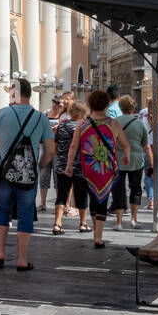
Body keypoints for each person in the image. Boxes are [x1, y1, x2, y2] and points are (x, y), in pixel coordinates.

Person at [0, 77, 55, 271]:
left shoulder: (3, 113)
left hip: (5, 171)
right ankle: (22, 259)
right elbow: (50, 150)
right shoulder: (41, 117)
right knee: (25, 213)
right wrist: (39, 167)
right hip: (28, 173)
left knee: (2, 209)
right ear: (29, 94)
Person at [66, 90, 130, 249]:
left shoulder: (83, 123)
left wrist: (68, 165)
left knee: (93, 199)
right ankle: (98, 236)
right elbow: (125, 144)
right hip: (106, 169)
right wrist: (126, 155)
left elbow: (74, 146)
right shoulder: (113, 123)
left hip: (87, 168)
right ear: (107, 104)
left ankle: (96, 232)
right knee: (102, 199)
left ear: (90, 104)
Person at [115, 93, 153, 229]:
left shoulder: (115, 122)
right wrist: (152, 164)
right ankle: (133, 219)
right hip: (136, 159)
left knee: (118, 190)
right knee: (135, 189)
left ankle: (118, 222)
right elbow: (147, 146)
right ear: (133, 108)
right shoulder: (139, 123)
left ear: (120, 107)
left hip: (118, 159)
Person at [51, 101, 90, 234]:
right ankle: (83, 223)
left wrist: (62, 156)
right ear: (83, 113)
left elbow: (55, 148)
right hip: (80, 167)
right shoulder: (85, 127)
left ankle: (57, 223)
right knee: (81, 195)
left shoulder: (61, 127)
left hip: (62, 165)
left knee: (61, 195)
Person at [37, 94, 65, 213]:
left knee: (58, 178)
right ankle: (43, 203)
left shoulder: (64, 117)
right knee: (43, 177)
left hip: (58, 150)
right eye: (54, 101)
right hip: (45, 148)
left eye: (58, 103)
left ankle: (58, 205)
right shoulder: (45, 114)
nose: (56, 104)